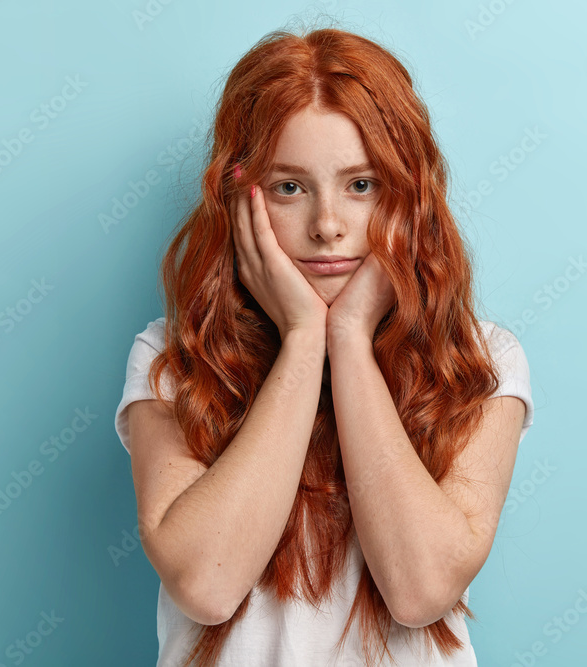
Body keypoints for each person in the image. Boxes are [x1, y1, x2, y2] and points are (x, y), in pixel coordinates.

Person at [113, 25, 534, 667]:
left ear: (408, 197)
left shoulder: (481, 362)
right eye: (290, 187)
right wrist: (305, 339)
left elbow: (420, 592)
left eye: (361, 185)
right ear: (240, 198)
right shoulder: (173, 358)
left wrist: (350, 342)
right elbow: (206, 583)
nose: (328, 225)